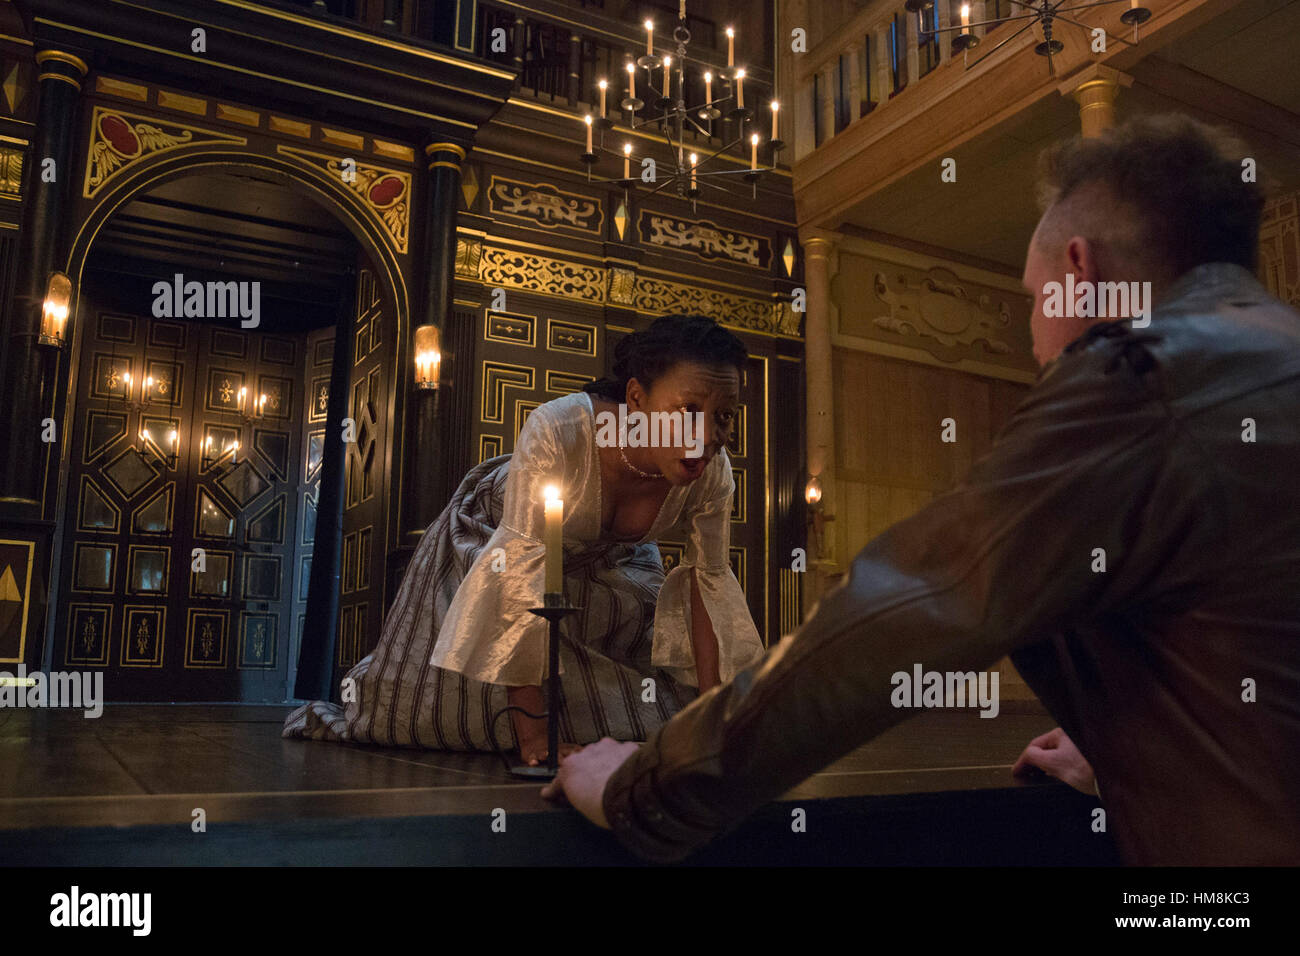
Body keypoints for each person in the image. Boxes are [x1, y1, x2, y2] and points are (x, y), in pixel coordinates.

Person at [543, 114, 1300, 865]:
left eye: (1036, 300)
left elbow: (906, 614)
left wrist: (642, 788)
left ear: (1081, 271)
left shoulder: (1138, 378)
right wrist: (1128, 758)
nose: (1037, 340)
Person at [283, 313, 765, 765]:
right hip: (492, 538)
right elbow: (518, 574)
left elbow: (708, 587)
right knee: (436, 712)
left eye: (724, 415)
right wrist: (535, 738)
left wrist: (713, 721)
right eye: (688, 409)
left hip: (603, 562)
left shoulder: (712, 474)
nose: (708, 434)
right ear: (636, 398)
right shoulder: (560, 429)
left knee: (649, 716)